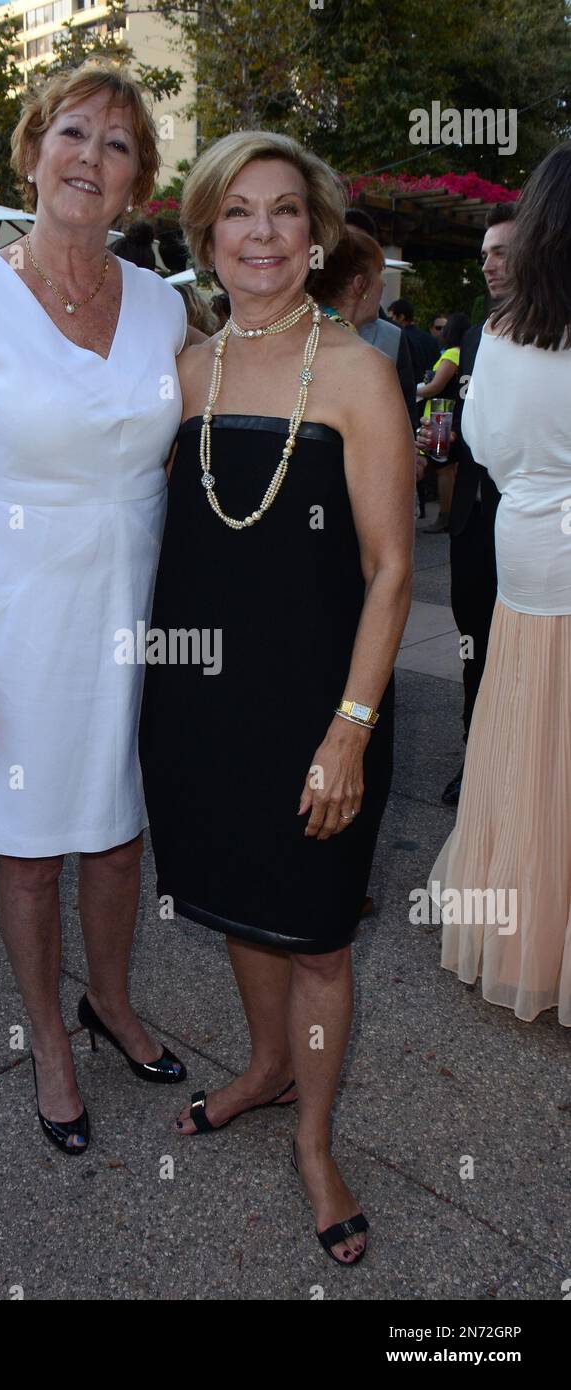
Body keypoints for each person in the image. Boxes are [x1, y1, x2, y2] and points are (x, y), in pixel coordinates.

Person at [0, 63, 192, 1160]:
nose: (91, 158)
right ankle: (47, 1036)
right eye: (74, 133)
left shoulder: (164, 307)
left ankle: (110, 1002)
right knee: (29, 853)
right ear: (33, 151)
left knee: (118, 837)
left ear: (136, 183)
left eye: (118, 146)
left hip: (130, 615)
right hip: (12, 624)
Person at [139, 131, 413, 1264]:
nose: (262, 233)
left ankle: (313, 1136)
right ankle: (260, 1065)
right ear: (207, 237)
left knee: (316, 938)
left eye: (285, 212)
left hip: (320, 708)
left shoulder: (356, 370)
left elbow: (393, 568)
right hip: (200, 705)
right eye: (238, 214)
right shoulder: (189, 370)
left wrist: (348, 731)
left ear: (317, 234)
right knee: (236, 903)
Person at [429, 141, 571, 1027]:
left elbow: (479, 444)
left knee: (524, 748)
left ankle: (518, 928)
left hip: (523, 548)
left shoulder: (499, 334)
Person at [435, 206, 517, 805]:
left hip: (532, 528)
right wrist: (439, 449)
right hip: (471, 523)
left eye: (501, 252)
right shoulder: (474, 331)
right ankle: (477, 762)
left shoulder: (554, 332)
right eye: (485, 252)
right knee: (475, 651)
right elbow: (467, 425)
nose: (487, 263)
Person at [307, 225, 419, 434]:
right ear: (360, 285)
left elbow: (405, 421)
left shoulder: (392, 338)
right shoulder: (302, 333)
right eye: (379, 273)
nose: (383, 284)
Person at [417, 311, 471, 532]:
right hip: (453, 415)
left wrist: (414, 389)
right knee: (449, 468)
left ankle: (445, 515)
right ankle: (450, 513)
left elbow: (435, 386)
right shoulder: (466, 353)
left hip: (441, 417)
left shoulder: (451, 354)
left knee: (443, 468)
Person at [388, 298, 436, 384]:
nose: (390, 322)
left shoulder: (398, 338)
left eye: (392, 318)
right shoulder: (429, 338)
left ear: (401, 317)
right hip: (429, 388)